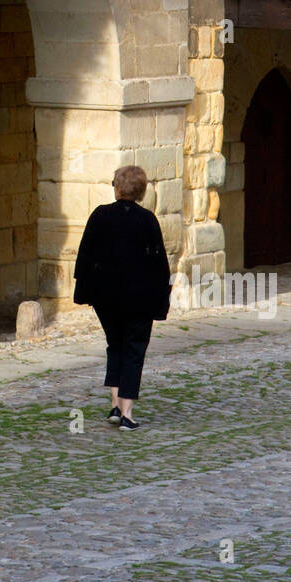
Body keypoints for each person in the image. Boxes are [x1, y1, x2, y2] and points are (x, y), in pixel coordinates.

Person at [73, 165, 171, 431]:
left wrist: (84, 293)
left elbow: (84, 257)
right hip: (139, 299)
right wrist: (162, 300)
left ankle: (116, 404)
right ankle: (127, 413)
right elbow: (159, 264)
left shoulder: (100, 216)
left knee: (115, 345)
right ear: (141, 192)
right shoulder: (147, 220)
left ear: (117, 187)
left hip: (106, 298)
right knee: (133, 349)